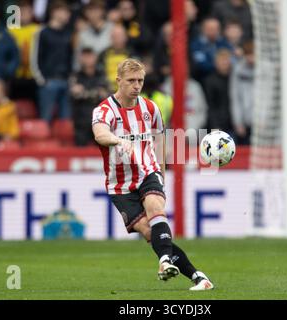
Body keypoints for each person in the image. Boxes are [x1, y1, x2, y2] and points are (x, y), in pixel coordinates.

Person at [91, 58, 214, 291]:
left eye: (140, 80)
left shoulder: (150, 108)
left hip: (148, 171)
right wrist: (118, 140)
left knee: (156, 207)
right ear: (118, 81)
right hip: (120, 185)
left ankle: (164, 262)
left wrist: (161, 172)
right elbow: (100, 134)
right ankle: (199, 277)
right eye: (131, 81)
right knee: (149, 232)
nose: (136, 86)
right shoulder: (104, 110)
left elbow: (159, 140)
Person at [32, 0, 73, 122]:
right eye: (65, 12)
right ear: (54, 12)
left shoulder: (68, 34)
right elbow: (34, 58)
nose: (68, 15)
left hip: (66, 81)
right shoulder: (42, 32)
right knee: (45, 120)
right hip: (48, 82)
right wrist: (42, 80)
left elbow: (71, 57)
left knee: (65, 122)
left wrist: (71, 77)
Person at [69, 47, 110, 146]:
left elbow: (106, 94)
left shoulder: (102, 75)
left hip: (100, 121)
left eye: (89, 56)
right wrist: (96, 93)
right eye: (84, 56)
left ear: (95, 58)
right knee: (80, 152)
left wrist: (84, 93)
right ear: (80, 58)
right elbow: (75, 94)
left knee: (103, 152)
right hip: (81, 121)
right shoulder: (75, 76)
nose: (87, 59)